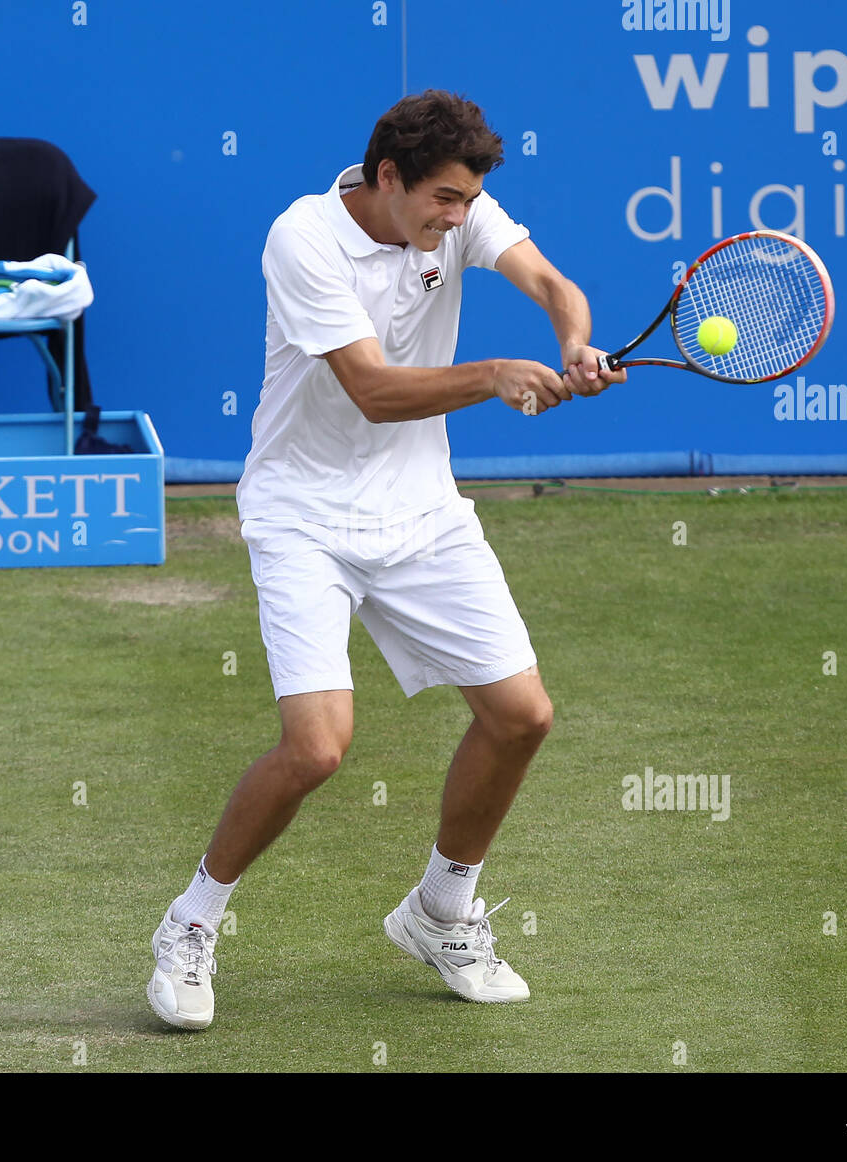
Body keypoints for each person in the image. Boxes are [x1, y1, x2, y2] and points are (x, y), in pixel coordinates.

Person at [148, 90, 626, 1029]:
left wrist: (572, 342)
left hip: (419, 512)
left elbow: (555, 287)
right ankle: (190, 923)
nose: (457, 219)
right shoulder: (303, 238)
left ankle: (441, 910)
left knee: (522, 715)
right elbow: (368, 389)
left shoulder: (460, 211)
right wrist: (494, 376)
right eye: (443, 200)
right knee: (318, 748)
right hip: (303, 516)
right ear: (388, 178)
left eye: (467, 203)